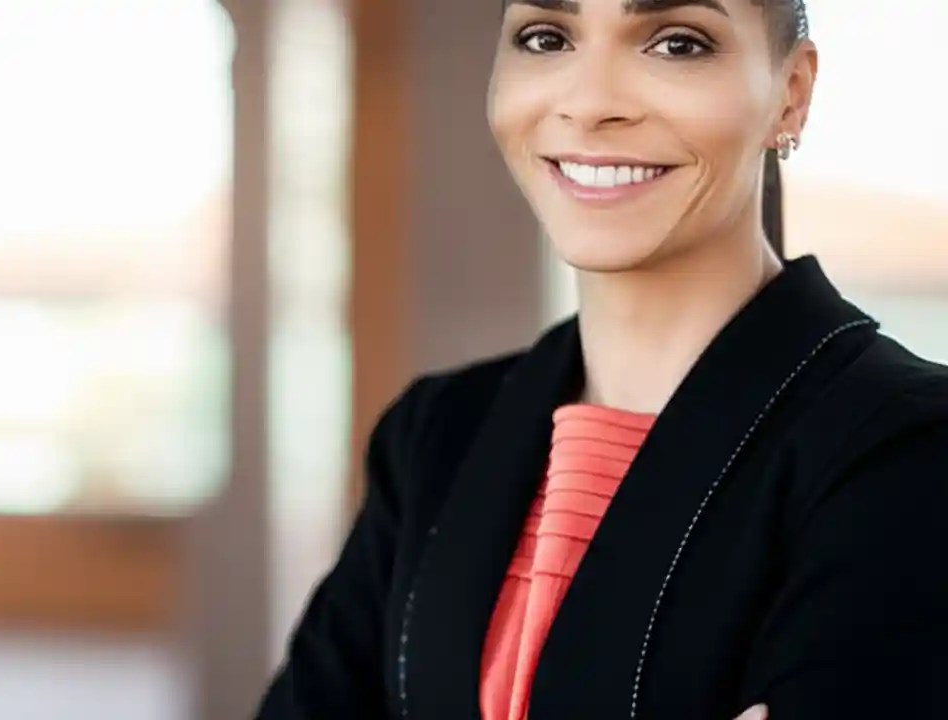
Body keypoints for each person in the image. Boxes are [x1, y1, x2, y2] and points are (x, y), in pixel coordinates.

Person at [256, 0, 948, 718]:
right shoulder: (435, 435)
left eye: (678, 43)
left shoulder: (906, 450)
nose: (590, 104)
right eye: (546, 37)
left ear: (791, 94)